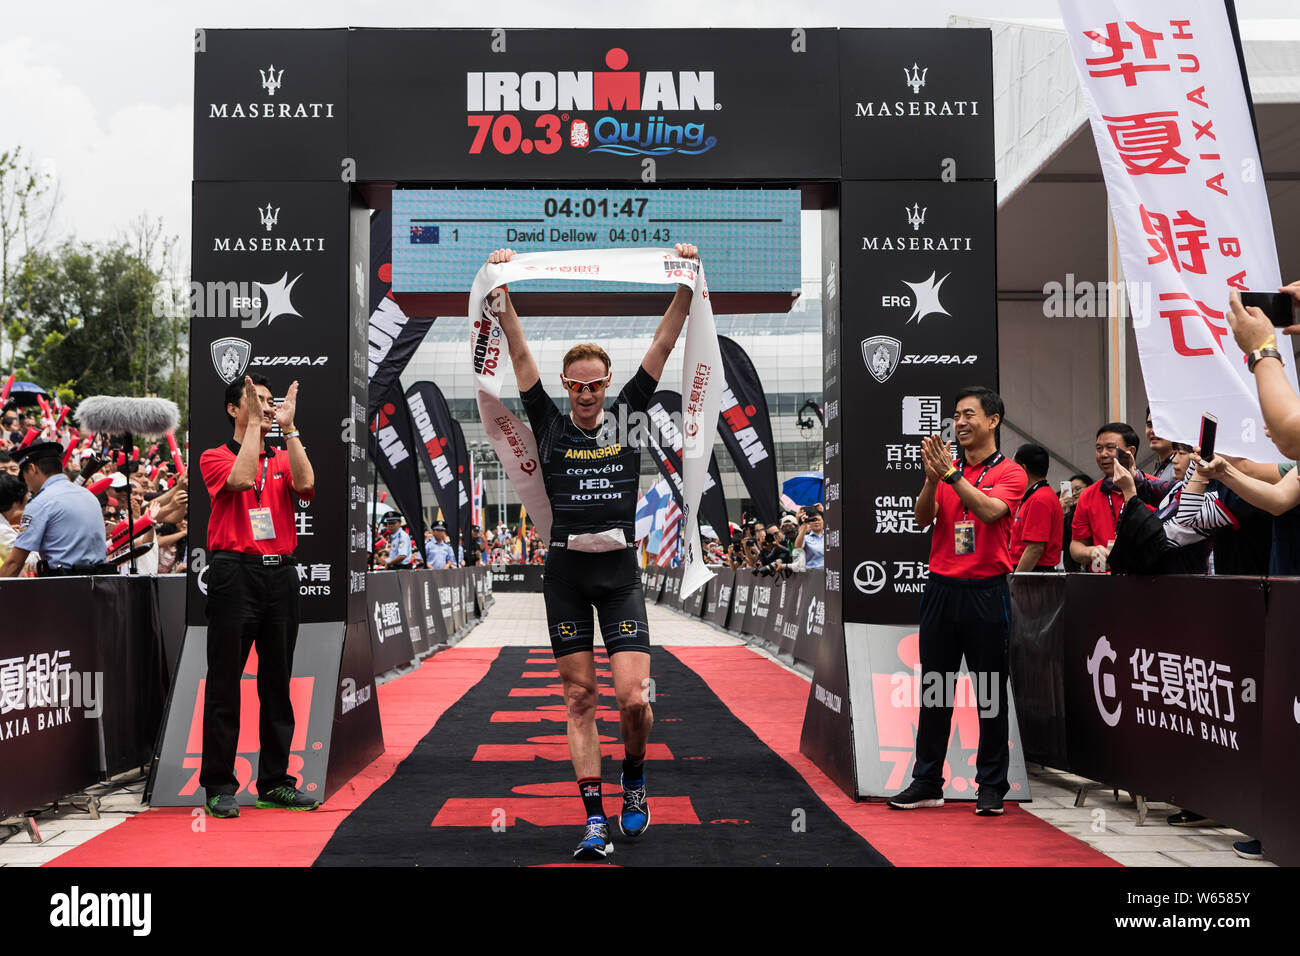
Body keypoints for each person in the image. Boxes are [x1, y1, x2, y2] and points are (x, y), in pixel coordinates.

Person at [488, 242, 699, 860]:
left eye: (595, 384)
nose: (585, 393)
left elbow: (661, 346)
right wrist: (503, 296)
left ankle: (634, 775)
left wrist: (685, 285)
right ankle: (594, 822)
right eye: (576, 385)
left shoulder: (628, 416)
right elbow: (519, 354)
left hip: (619, 576)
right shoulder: (549, 424)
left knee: (633, 700)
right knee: (580, 698)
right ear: (566, 385)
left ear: (607, 384)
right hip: (565, 578)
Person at [886, 387, 1026, 816]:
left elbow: (989, 511)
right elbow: (921, 518)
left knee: (990, 693)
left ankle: (991, 786)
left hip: (986, 593)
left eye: (969, 415)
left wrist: (950, 476)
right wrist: (933, 479)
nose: (960, 423)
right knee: (935, 690)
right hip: (941, 591)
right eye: (956, 416)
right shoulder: (948, 471)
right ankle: (927, 781)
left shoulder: (1011, 473)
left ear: (993, 420)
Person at [198, 374, 318, 819]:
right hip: (235, 573)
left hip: (280, 574)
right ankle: (219, 785)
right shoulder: (214, 456)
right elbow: (242, 477)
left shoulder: (283, 455)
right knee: (225, 682)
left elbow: (306, 485)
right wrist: (254, 427)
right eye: (256, 400)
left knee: (277, 683)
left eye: (270, 401)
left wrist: (290, 428)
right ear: (233, 408)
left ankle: (275, 782)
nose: (267, 407)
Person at [1068, 423, 1169, 573]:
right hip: (1103, 580)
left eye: (1110, 448)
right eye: (1099, 448)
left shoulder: (1155, 488)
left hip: (1145, 578)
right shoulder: (1088, 494)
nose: (1103, 454)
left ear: (1130, 452)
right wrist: (1091, 551)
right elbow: (1076, 545)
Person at [0, 441, 111, 577]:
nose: (25, 481)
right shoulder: (89, 496)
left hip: (63, 584)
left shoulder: (40, 503)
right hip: (99, 583)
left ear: (33, 468)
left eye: (23, 474)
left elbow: (14, 563)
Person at [1010, 443, 1063, 572]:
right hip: (1031, 571)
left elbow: (1035, 548)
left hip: (1034, 573)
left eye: (1013, 467)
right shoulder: (1036, 496)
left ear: (1022, 468)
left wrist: (1016, 579)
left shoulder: (1039, 499)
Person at [1145, 408, 1177, 481]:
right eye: (1150, 425)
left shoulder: (1180, 470)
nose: (1153, 431)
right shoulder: (1159, 465)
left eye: (1160, 425)